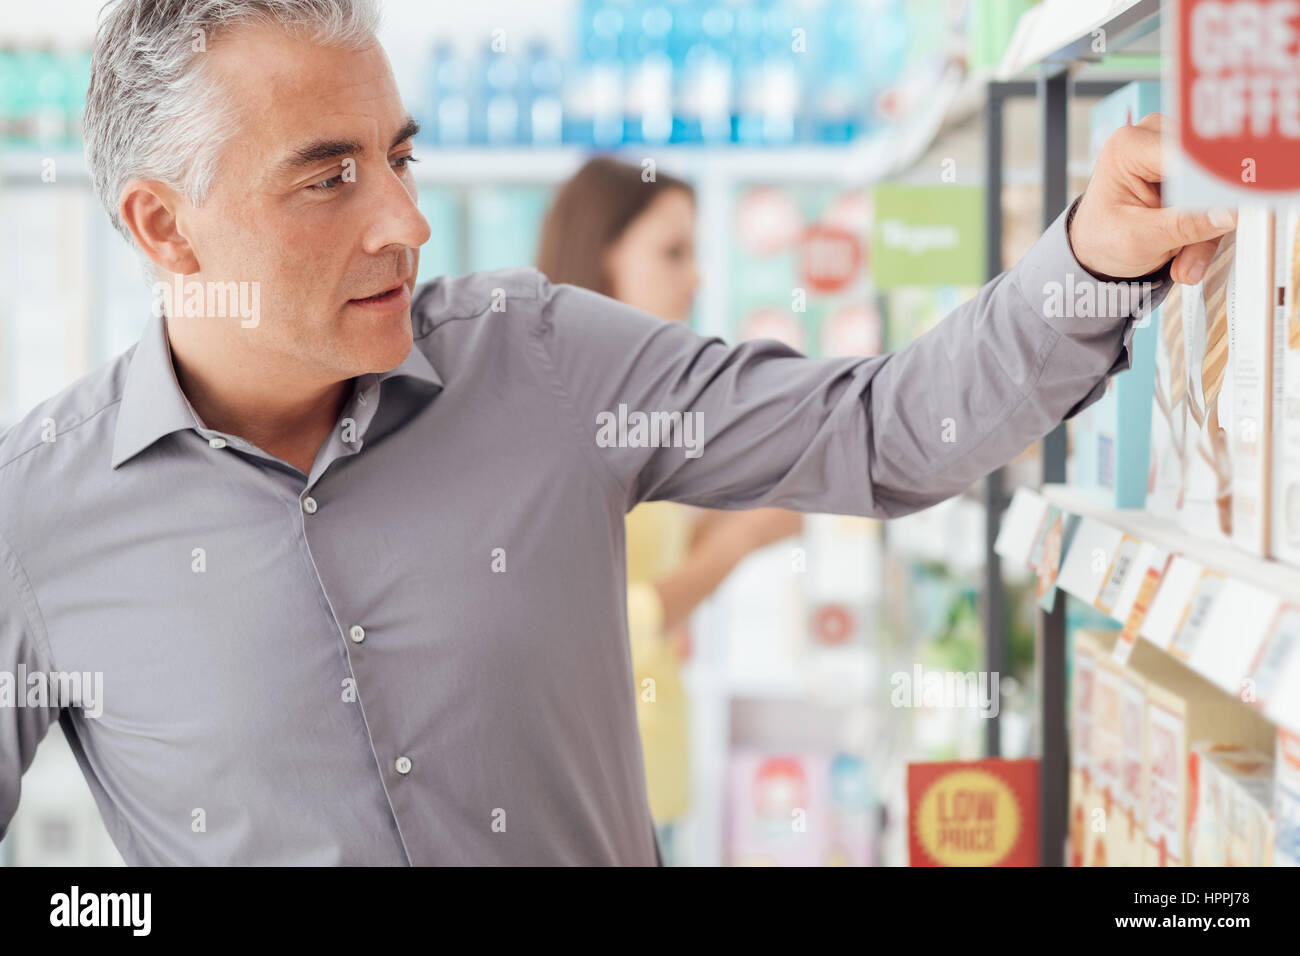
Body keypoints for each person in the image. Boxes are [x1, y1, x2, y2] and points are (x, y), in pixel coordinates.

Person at [0, 0, 1232, 866]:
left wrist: (1084, 265)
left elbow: (887, 431)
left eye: (400, 155)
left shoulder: (541, 360)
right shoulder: (34, 521)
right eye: (329, 176)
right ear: (164, 228)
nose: (407, 222)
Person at [536, 158, 802, 865]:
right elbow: (596, 622)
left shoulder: (632, 398)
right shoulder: (553, 413)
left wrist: (741, 508)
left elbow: (645, 544)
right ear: (602, 254)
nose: (696, 278)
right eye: (673, 252)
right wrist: (736, 544)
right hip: (594, 802)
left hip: (649, 778)